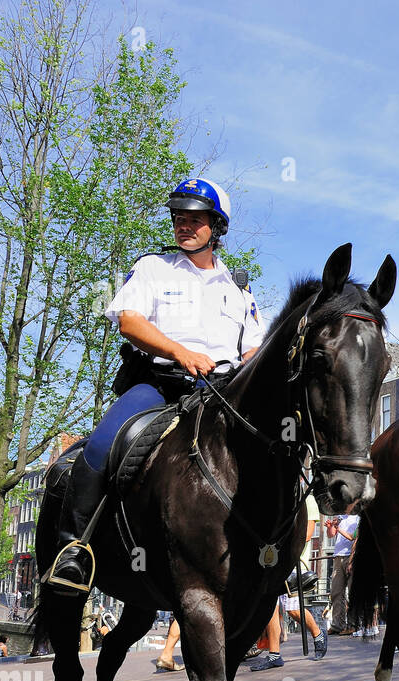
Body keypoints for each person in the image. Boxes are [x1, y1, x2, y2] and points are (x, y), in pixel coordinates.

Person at [45, 178, 264, 594]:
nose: (183, 225)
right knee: (100, 445)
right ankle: (72, 549)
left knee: (274, 446)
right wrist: (181, 353)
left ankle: (275, 556)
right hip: (161, 386)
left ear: (217, 227)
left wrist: (255, 360)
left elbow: (255, 344)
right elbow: (130, 321)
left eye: (194, 219)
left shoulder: (240, 288)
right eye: (179, 218)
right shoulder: (153, 267)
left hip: (221, 394)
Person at [252, 492, 327, 669]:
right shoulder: (284, 500)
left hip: (293, 561)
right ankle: (274, 654)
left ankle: (318, 634)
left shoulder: (307, 500)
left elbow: (306, 534)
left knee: (293, 610)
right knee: (272, 605)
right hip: (275, 560)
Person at [326, 513, 360, 634]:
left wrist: (338, 528)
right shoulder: (339, 517)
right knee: (336, 591)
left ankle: (353, 624)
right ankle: (337, 625)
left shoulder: (358, 518)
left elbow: (354, 538)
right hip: (338, 556)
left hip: (351, 556)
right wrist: (330, 527)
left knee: (352, 592)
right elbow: (330, 535)